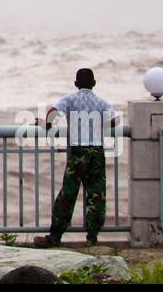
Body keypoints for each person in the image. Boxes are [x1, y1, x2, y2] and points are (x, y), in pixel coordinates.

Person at [33, 67, 115, 248]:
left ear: (76, 84)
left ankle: (55, 236)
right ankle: (92, 238)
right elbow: (113, 121)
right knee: (96, 195)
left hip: (78, 151)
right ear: (94, 84)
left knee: (68, 194)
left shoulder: (70, 99)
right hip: (96, 151)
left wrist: (46, 125)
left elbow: (53, 111)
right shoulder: (102, 102)